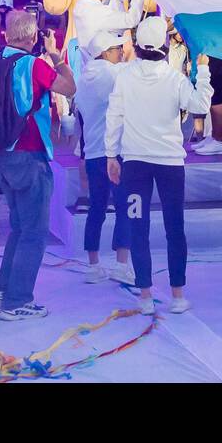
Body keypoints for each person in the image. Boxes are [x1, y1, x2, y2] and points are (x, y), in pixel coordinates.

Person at [105, 18, 213, 314]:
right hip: (169, 165)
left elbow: (114, 117)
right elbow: (200, 106)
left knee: (138, 226)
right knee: (174, 227)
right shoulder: (174, 78)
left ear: (138, 46)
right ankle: (178, 296)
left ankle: (145, 296)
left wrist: (111, 155)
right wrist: (202, 69)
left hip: (135, 165)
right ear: (165, 47)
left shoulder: (124, 76)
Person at [0, 10, 76, 321]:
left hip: (2, 156)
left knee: (18, 227)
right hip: (30, 156)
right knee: (34, 232)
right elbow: (69, 88)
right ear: (33, 37)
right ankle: (17, 301)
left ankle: (3, 289)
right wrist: (56, 55)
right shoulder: (33, 65)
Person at [73, 30, 134, 286]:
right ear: (106, 52)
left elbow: (80, 119)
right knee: (124, 208)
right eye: (118, 48)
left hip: (92, 153)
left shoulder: (83, 78)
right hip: (116, 152)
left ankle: (93, 265)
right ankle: (121, 264)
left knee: (96, 208)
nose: (121, 53)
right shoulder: (116, 73)